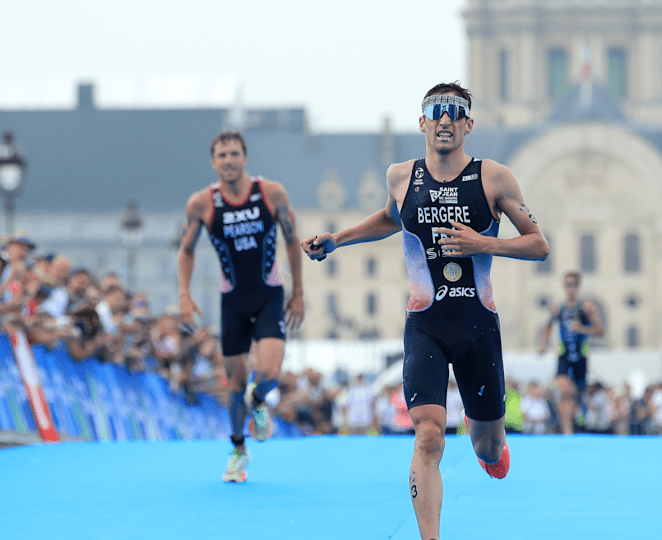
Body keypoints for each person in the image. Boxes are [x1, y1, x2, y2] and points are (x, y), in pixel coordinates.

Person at [301, 82, 549, 540]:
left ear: (469, 125)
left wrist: (483, 243)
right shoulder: (401, 176)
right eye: (436, 111)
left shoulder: (493, 178)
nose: (445, 119)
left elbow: (539, 244)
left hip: (477, 325)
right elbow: (391, 218)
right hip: (425, 324)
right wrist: (337, 239)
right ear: (422, 123)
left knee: (489, 450)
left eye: (455, 112)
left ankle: (488, 440)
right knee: (428, 435)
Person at [177, 131, 305, 483]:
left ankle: (259, 400)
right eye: (222, 155)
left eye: (234, 153)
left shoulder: (271, 193)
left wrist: (298, 292)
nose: (229, 160)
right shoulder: (201, 203)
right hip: (232, 300)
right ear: (213, 162)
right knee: (234, 383)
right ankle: (237, 449)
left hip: (269, 294)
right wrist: (184, 295)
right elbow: (186, 250)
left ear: (245, 157)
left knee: (269, 372)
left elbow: (292, 240)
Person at [538, 271, 604, 435]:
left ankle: (575, 422)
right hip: (564, 355)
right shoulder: (558, 307)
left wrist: (581, 329)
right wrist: (543, 344)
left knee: (576, 395)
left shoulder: (586, 307)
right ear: (564, 286)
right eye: (568, 284)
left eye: (573, 284)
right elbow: (548, 326)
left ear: (578, 286)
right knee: (564, 391)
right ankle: (567, 431)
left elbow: (600, 331)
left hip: (580, 356)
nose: (570, 288)